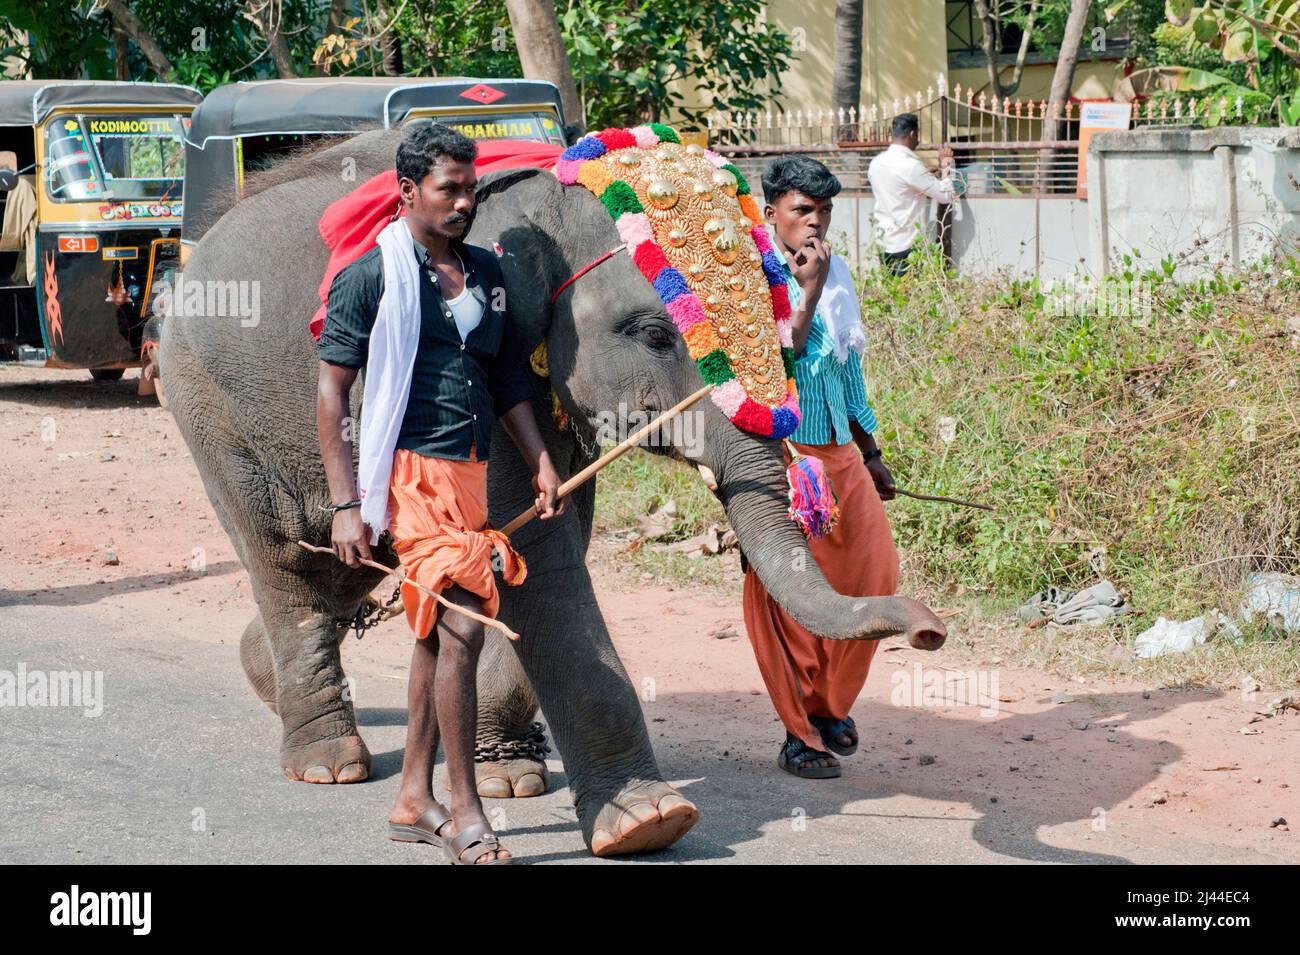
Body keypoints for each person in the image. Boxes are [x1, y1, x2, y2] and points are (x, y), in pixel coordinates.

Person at [316, 122, 564, 864]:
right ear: (407, 192)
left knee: (432, 632)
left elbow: (509, 377)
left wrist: (542, 460)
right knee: (462, 627)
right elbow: (333, 395)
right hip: (408, 478)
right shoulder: (372, 277)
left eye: (471, 187)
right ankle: (466, 812)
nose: (465, 201)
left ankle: (412, 796)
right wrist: (344, 505)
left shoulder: (485, 271)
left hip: (472, 477)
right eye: (448, 189)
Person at [743, 155, 900, 779]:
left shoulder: (836, 271)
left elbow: (846, 366)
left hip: (839, 448)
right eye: (802, 210)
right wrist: (805, 289)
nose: (814, 222)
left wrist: (871, 452)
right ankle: (798, 732)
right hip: (788, 456)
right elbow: (781, 358)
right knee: (791, 595)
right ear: (771, 210)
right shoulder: (751, 275)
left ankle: (830, 704)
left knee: (872, 575)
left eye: (824, 211)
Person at [866, 112, 956, 275]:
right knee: (908, 296)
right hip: (905, 247)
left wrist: (925, 176)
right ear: (913, 134)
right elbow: (946, 196)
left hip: (883, 241)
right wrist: (947, 164)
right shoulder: (910, 166)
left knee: (892, 294)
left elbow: (898, 185)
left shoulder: (876, 163)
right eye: (917, 135)